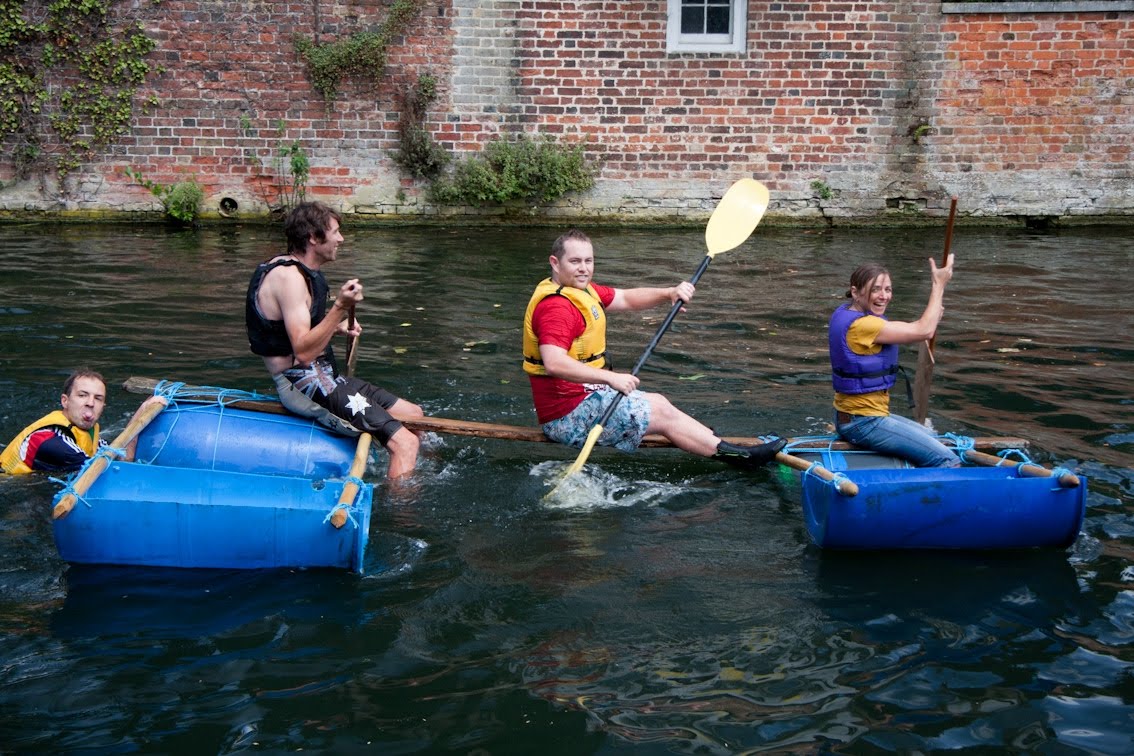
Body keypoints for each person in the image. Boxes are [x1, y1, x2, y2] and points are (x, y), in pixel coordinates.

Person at [522, 229, 785, 467]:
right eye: (575, 261)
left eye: (588, 261)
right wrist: (611, 377)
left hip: (587, 398)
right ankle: (739, 458)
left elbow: (625, 297)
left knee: (658, 401)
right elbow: (554, 362)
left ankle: (711, 442)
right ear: (555, 263)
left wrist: (668, 292)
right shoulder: (556, 308)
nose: (584, 269)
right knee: (659, 411)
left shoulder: (581, 290)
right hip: (566, 418)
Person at [246, 201, 423, 480]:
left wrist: (337, 327)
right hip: (301, 384)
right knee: (406, 442)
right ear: (314, 239)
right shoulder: (288, 278)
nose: (341, 239)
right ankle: (404, 515)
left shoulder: (300, 273)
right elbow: (303, 353)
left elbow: (303, 331)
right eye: (335, 232)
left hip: (326, 377)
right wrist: (339, 306)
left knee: (414, 415)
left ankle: (414, 473)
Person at [828, 255, 960, 467]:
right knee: (947, 460)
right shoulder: (863, 326)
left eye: (888, 289)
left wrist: (933, 316)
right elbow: (923, 330)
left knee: (935, 438)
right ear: (855, 292)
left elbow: (921, 327)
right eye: (875, 289)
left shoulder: (845, 313)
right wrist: (939, 285)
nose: (884, 296)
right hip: (864, 422)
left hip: (854, 418)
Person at [1, 369, 160, 475]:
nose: (90, 403)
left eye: (98, 398)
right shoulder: (50, 442)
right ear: (65, 401)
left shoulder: (85, 433)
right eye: (82, 395)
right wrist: (141, 414)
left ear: (103, 406)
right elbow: (112, 472)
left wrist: (143, 411)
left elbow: (119, 454)